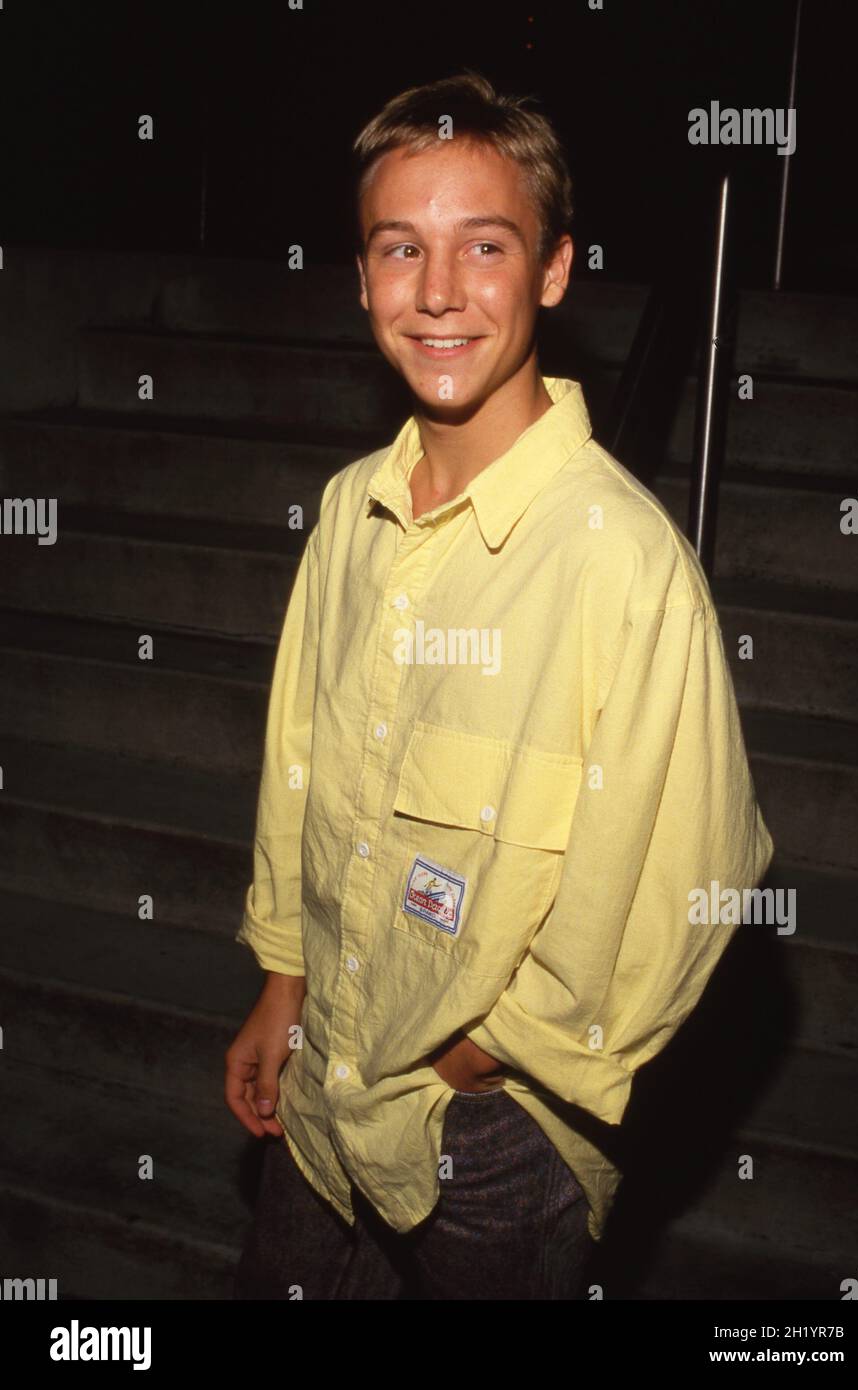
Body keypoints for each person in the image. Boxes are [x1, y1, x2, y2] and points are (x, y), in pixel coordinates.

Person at [225, 70, 774, 1300]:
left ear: (555, 269)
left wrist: (488, 1054)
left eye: (485, 245)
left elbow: (694, 881)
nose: (436, 291)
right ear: (361, 276)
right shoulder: (347, 515)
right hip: (321, 1092)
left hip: (491, 1142)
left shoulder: (622, 566)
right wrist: (283, 981)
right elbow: (299, 766)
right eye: (398, 248)